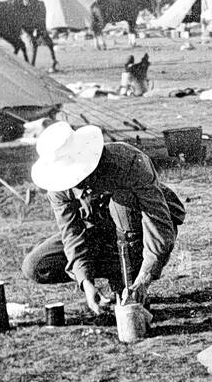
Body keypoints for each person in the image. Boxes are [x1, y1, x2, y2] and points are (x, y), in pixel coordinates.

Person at [22, 122, 185, 317]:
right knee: (36, 265)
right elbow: (72, 234)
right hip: (101, 231)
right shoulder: (57, 185)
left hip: (140, 227)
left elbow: (157, 222)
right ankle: (119, 276)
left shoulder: (128, 162)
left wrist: (144, 277)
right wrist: (86, 282)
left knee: (121, 206)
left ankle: (129, 279)